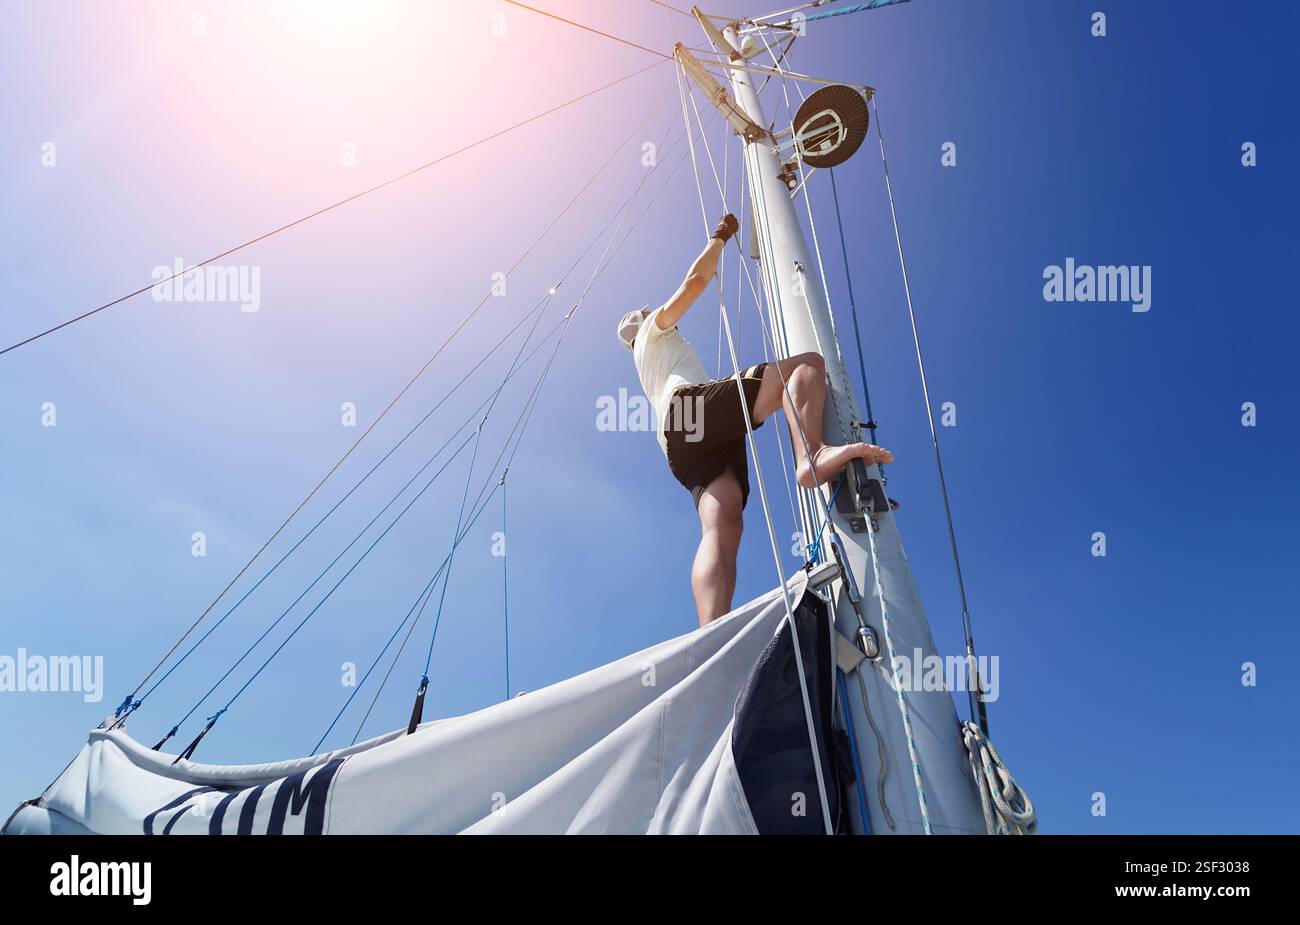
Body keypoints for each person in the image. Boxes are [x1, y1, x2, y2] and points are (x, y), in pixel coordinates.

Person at [617, 213, 894, 625]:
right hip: (689, 410)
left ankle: (712, 630)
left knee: (721, 524)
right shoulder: (655, 334)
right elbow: (695, 281)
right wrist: (720, 236)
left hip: (679, 442)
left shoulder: (647, 366)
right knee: (805, 367)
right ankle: (812, 454)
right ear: (644, 324)